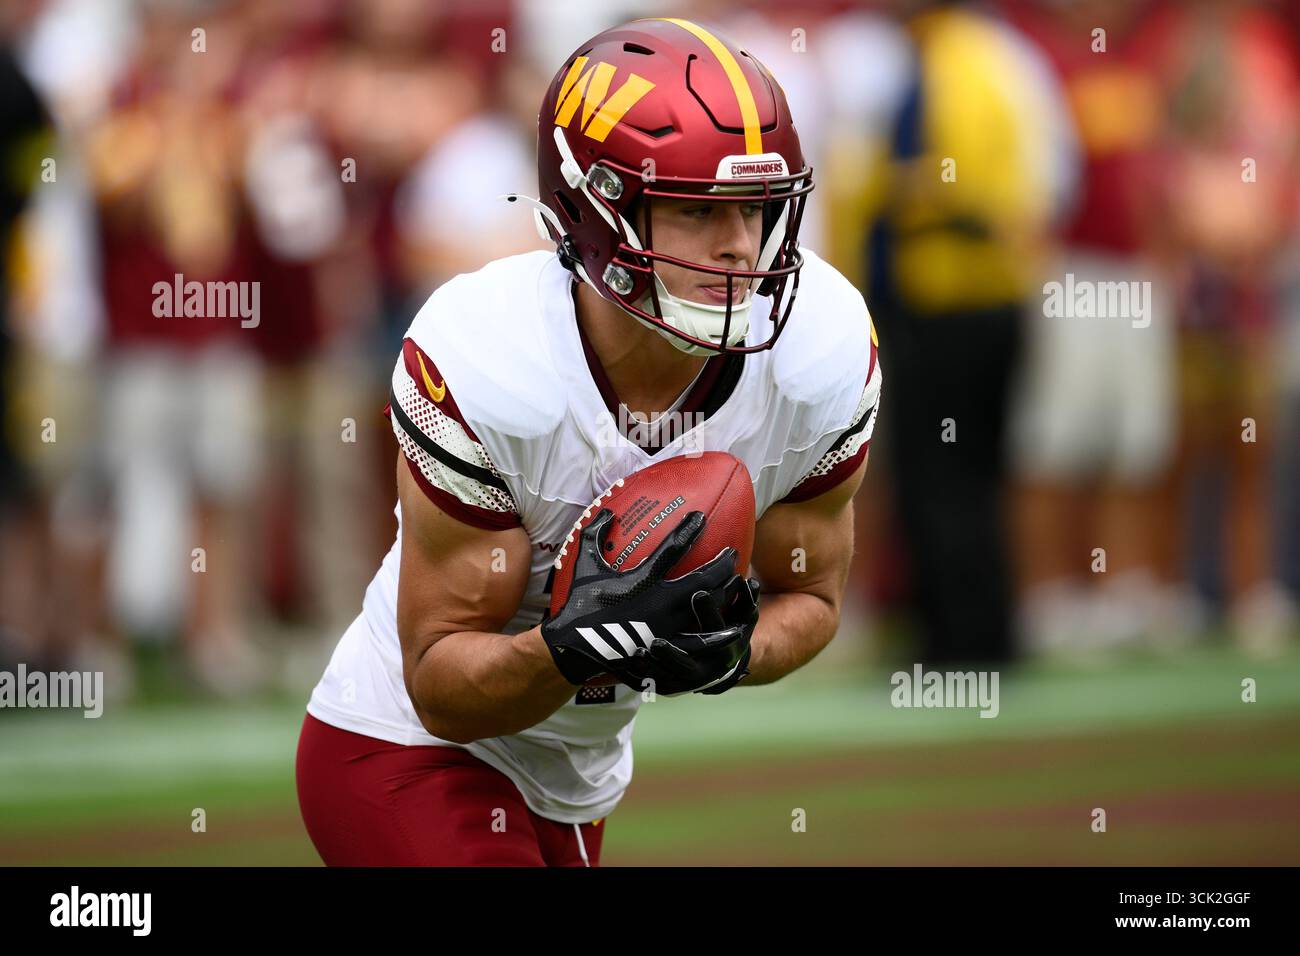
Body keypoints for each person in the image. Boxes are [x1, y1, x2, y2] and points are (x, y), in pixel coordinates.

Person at [295, 17, 882, 867]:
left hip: (574, 776)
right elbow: (439, 686)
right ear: (595, 207)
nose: (741, 248)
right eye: (695, 211)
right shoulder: (493, 360)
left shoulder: (818, 352)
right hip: (402, 749)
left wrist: (725, 651)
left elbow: (815, 602)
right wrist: (581, 642)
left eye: (756, 209)